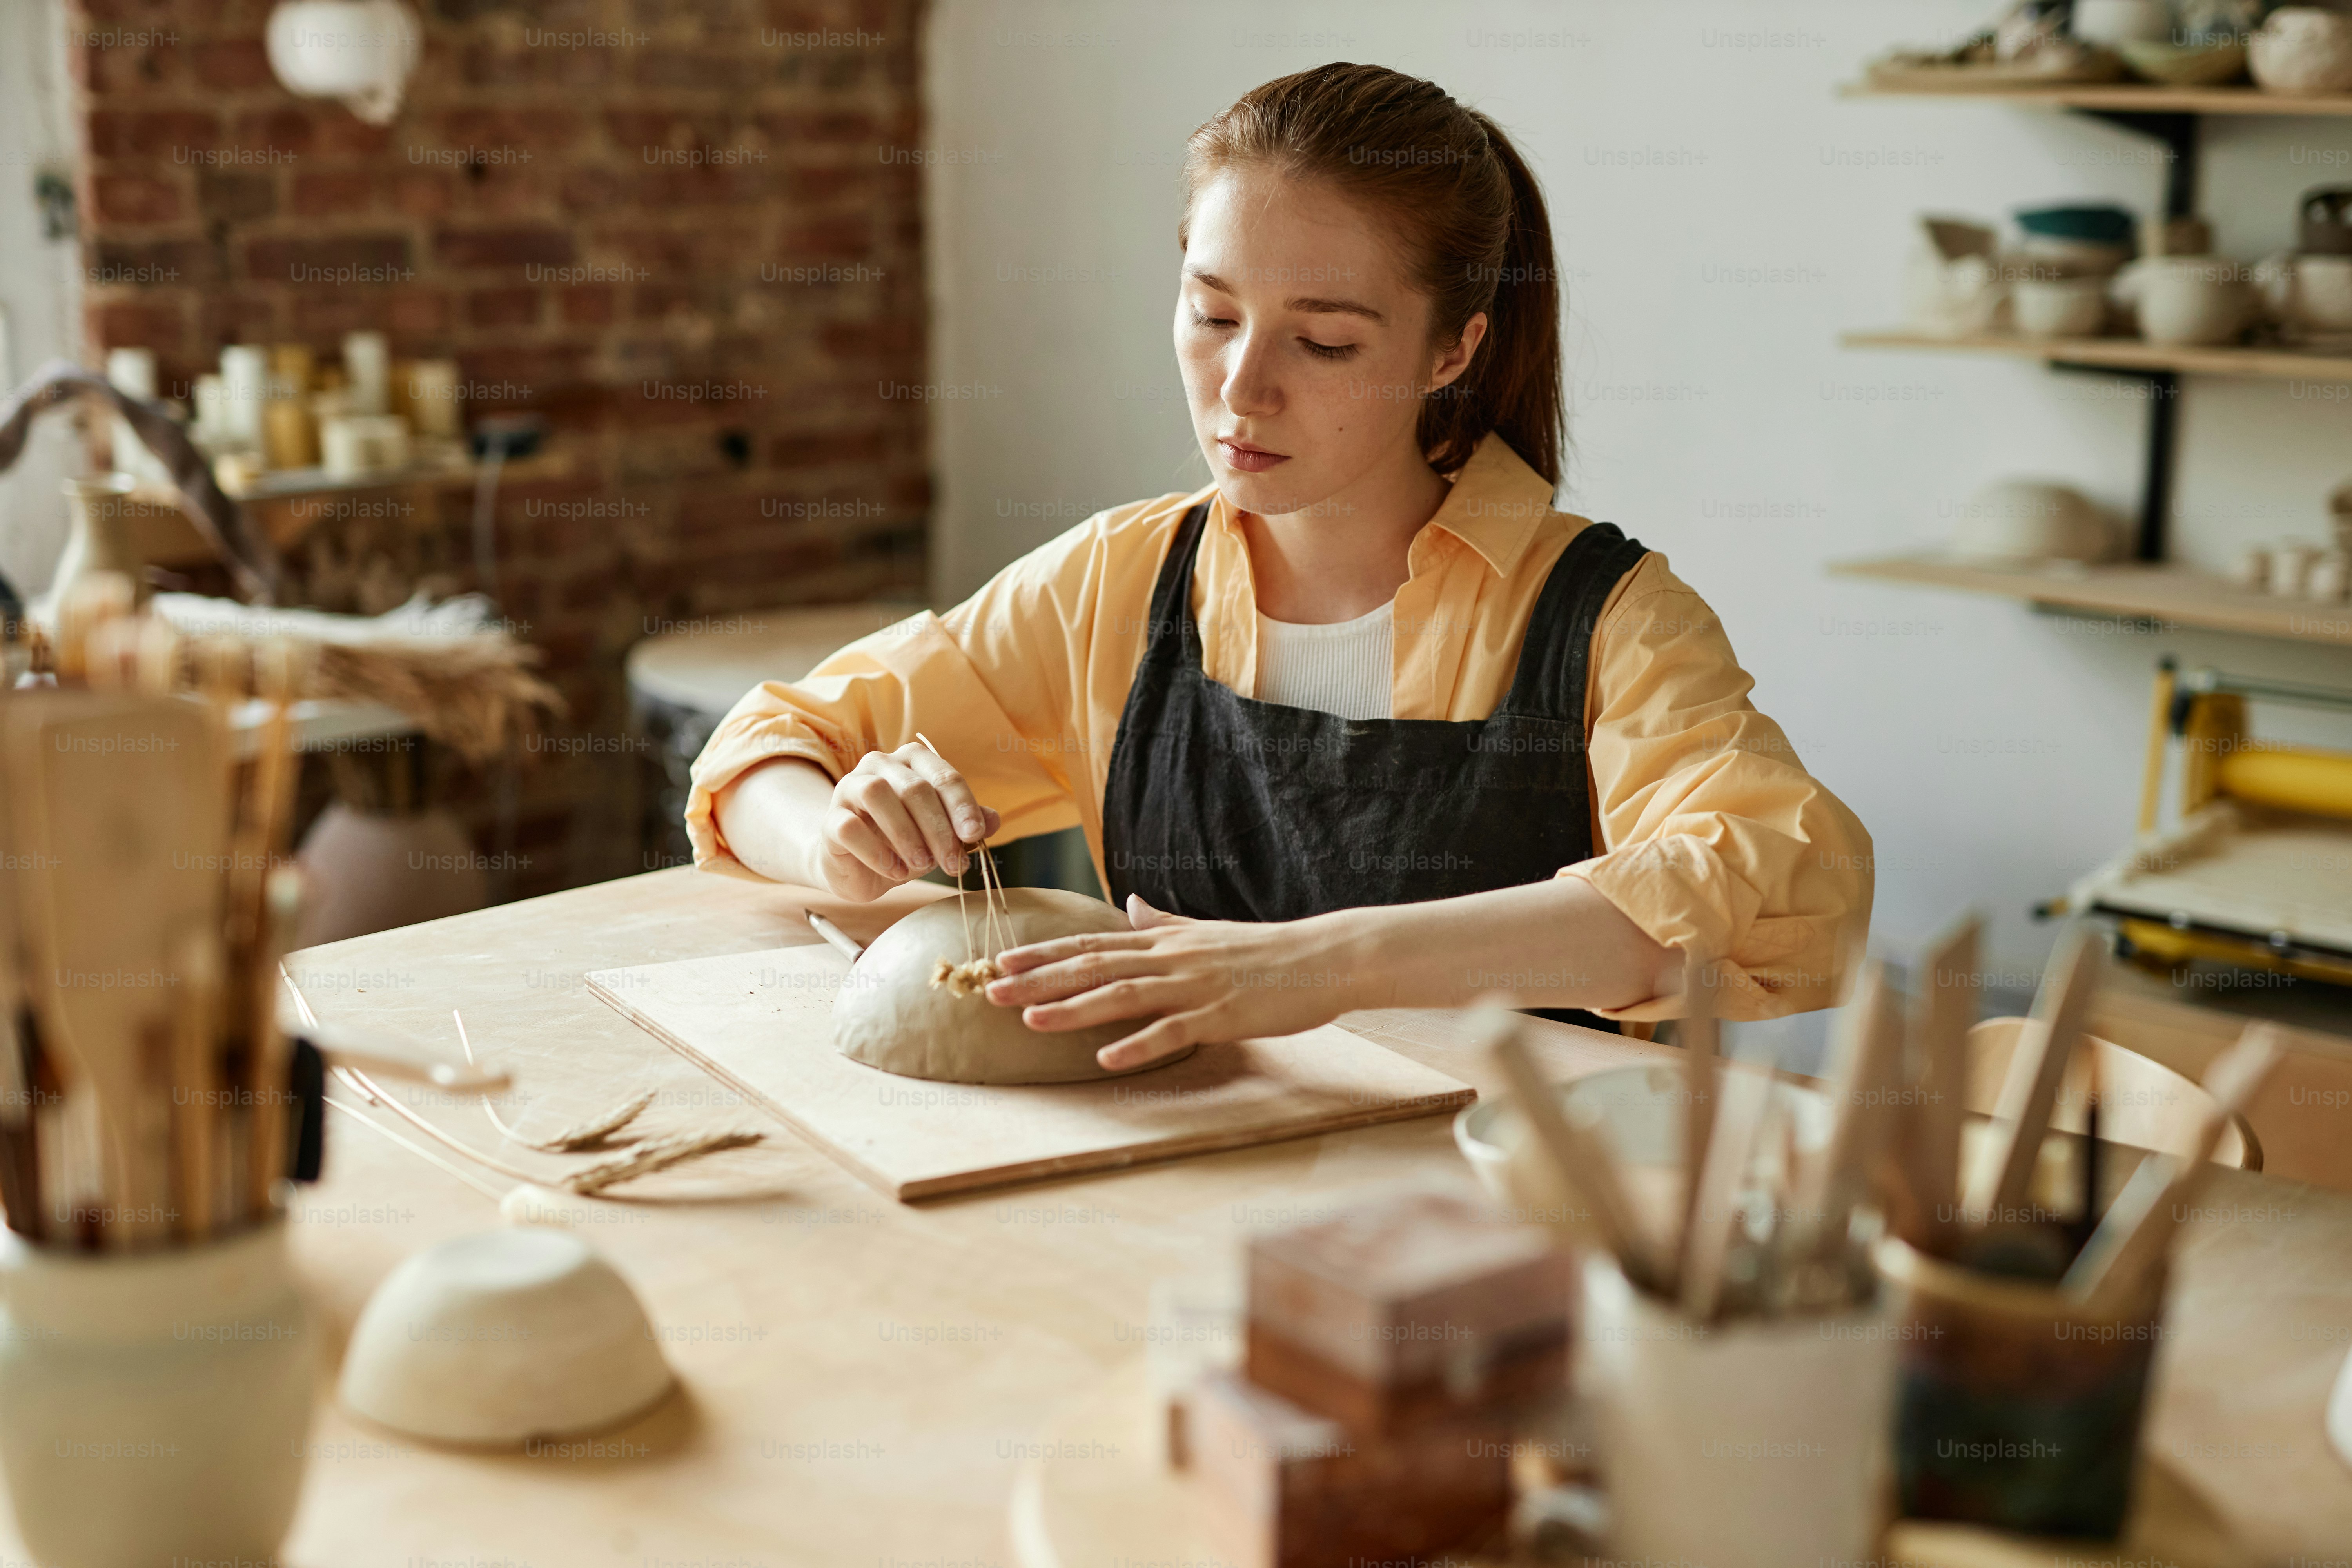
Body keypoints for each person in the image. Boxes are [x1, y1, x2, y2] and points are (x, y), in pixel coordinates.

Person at [689, 63, 1871, 1072]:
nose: (1243, 390)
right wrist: (840, 837)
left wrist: (1317, 966)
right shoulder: (1119, 583)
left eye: (1324, 341)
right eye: (1213, 315)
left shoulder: (1608, 618)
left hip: (1503, 1223)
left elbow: (1776, 884)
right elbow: (765, 747)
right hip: (1179, 1193)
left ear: (1454, 350)